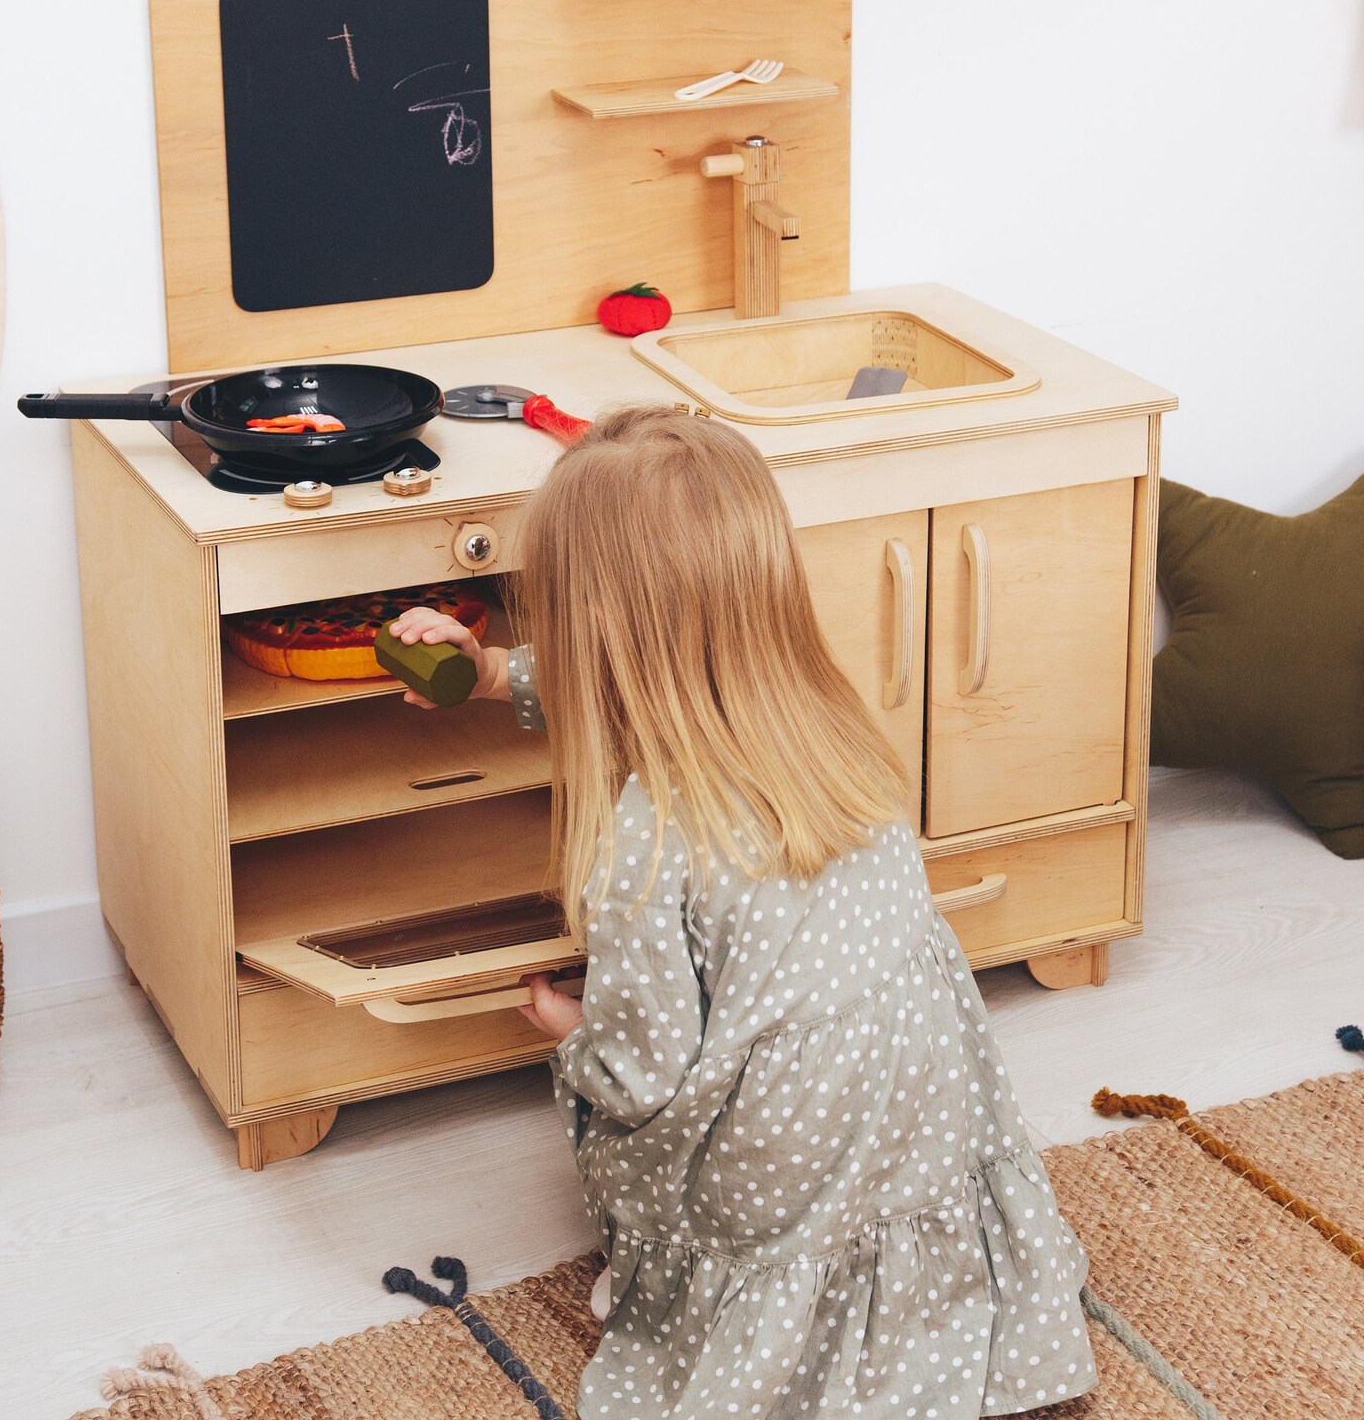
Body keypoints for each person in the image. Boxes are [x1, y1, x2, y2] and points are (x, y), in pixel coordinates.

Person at [389, 406, 1094, 1418]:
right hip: (927, 1113)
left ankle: (736, 1314)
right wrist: (494, 671)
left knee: (621, 1107)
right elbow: (639, 673)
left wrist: (571, 1028)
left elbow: (647, 1065)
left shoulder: (647, 828)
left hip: (782, 1163)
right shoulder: (829, 718)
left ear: (589, 622)